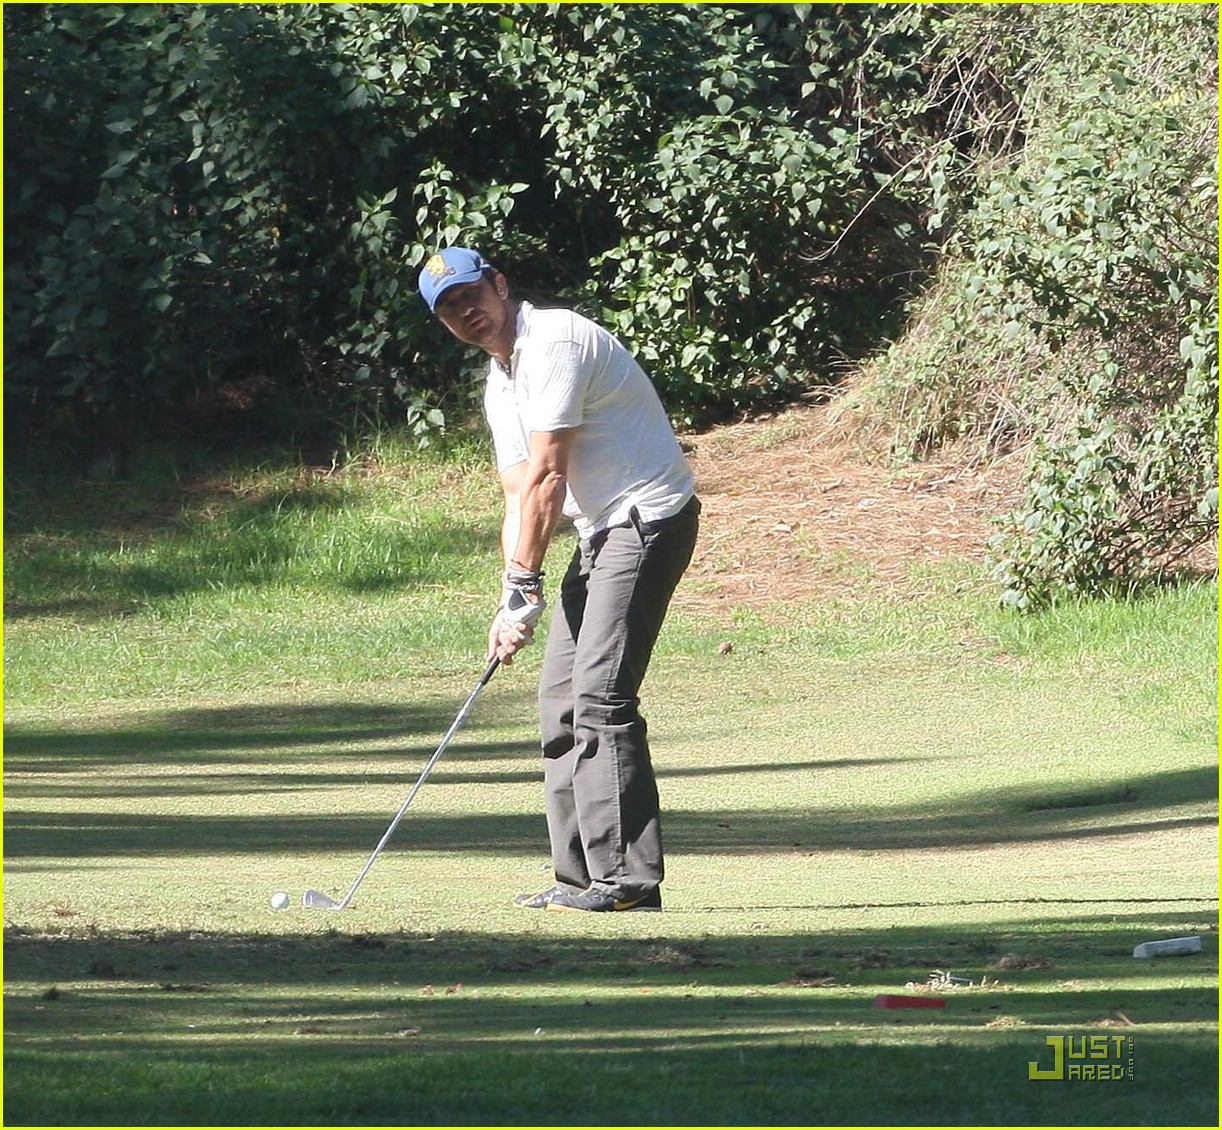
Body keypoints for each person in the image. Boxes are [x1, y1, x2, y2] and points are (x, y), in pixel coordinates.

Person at [418, 246, 700, 912]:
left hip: (646, 518)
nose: (466, 313)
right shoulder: (500, 380)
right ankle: (579, 878)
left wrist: (528, 583)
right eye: (450, 309)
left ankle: (627, 881)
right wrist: (510, 600)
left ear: (499, 285)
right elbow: (519, 492)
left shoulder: (553, 343)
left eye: (471, 296)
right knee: (560, 702)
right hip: (599, 532)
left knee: (601, 696)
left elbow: (549, 474)